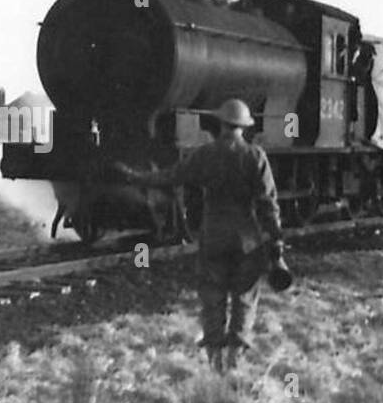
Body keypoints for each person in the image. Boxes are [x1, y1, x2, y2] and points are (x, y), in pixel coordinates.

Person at [114, 99, 286, 372]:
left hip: (214, 234)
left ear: (220, 123)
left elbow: (171, 176)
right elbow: (269, 204)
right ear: (244, 126)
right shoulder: (256, 156)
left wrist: (136, 177)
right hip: (247, 239)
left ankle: (214, 359)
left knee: (212, 296)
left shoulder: (205, 154)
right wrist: (276, 242)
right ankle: (234, 359)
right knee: (244, 298)